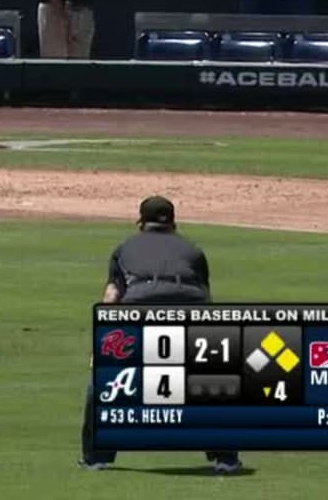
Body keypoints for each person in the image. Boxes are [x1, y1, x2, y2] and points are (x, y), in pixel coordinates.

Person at [80, 196, 242, 475]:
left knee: (106, 383)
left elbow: (111, 296)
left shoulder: (125, 248)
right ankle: (225, 458)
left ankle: (97, 457)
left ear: (141, 222)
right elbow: (205, 295)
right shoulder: (193, 250)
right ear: (173, 221)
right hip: (192, 315)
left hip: (139, 313)